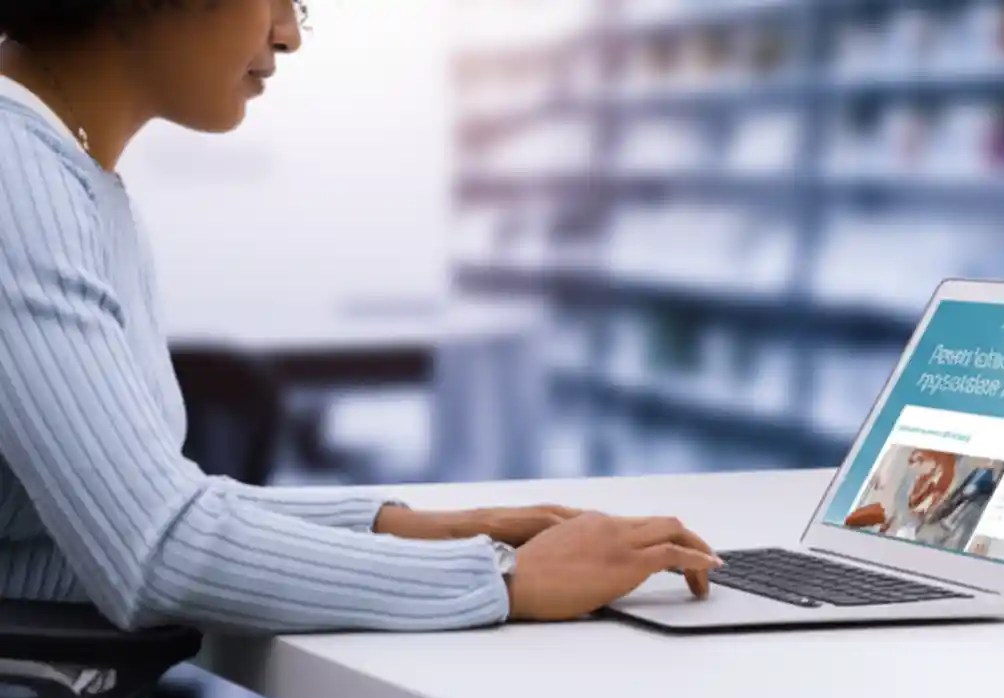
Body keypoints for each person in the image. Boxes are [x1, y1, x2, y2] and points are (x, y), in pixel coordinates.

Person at [0, 0, 720, 634]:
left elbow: (115, 521)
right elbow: (154, 552)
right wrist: (500, 579)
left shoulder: (74, 175)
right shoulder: (17, 178)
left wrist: (426, 530)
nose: (289, 35)